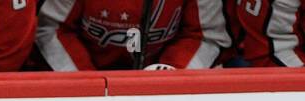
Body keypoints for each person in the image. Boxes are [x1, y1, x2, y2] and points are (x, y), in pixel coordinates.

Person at [35, 0, 230, 71]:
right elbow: (53, 29)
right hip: (87, 84)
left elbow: (205, 35)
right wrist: (87, 83)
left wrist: (171, 73)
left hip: (166, 99)